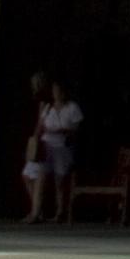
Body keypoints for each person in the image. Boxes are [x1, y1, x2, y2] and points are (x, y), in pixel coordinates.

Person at [20, 74, 81, 222]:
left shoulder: (72, 107)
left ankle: (59, 212)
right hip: (46, 145)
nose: (56, 93)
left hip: (62, 146)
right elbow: (40, 126)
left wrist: (61, 131)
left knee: (59, 179)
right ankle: (37, 211)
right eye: (54, 90)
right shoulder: (47, 107)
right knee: (29, 175)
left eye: (59, 90)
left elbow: (76, 130)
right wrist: (34, 142)